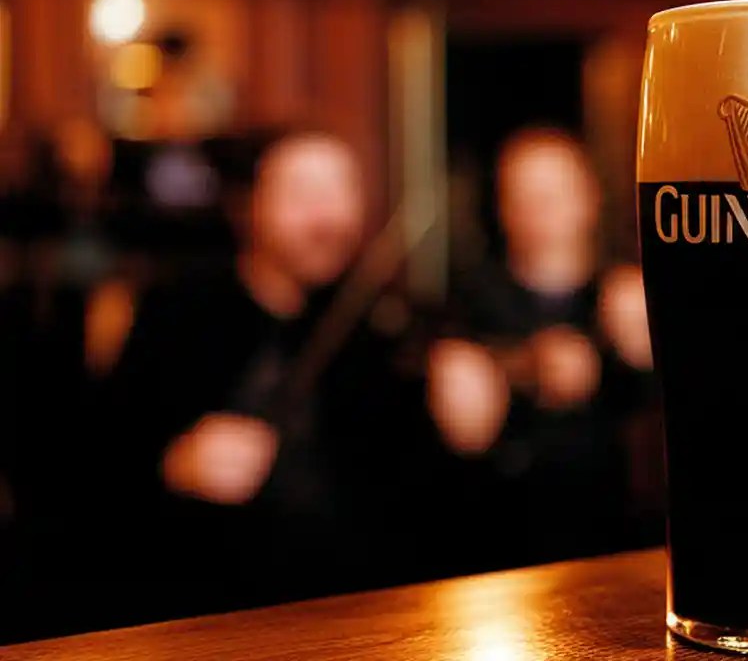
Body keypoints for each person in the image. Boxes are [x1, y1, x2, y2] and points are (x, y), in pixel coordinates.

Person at [79, 130, 445, 629]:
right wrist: (173, 464)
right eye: (301, 195)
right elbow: (89, 469)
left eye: (341, 193)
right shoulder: (176, 313)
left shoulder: (385, 321)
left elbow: (422, 498)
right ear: (249, 206)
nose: (326, 218)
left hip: (364, 618)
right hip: (207, 616)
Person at [432, 127, 655, 568]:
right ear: (502, 206)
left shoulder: (627, 293)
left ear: (589, 196)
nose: (539, 211)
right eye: (523, 195)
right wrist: (521, 367)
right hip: (502, 545)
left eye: (553, 194)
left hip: (619, 545)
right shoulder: (469, 301)